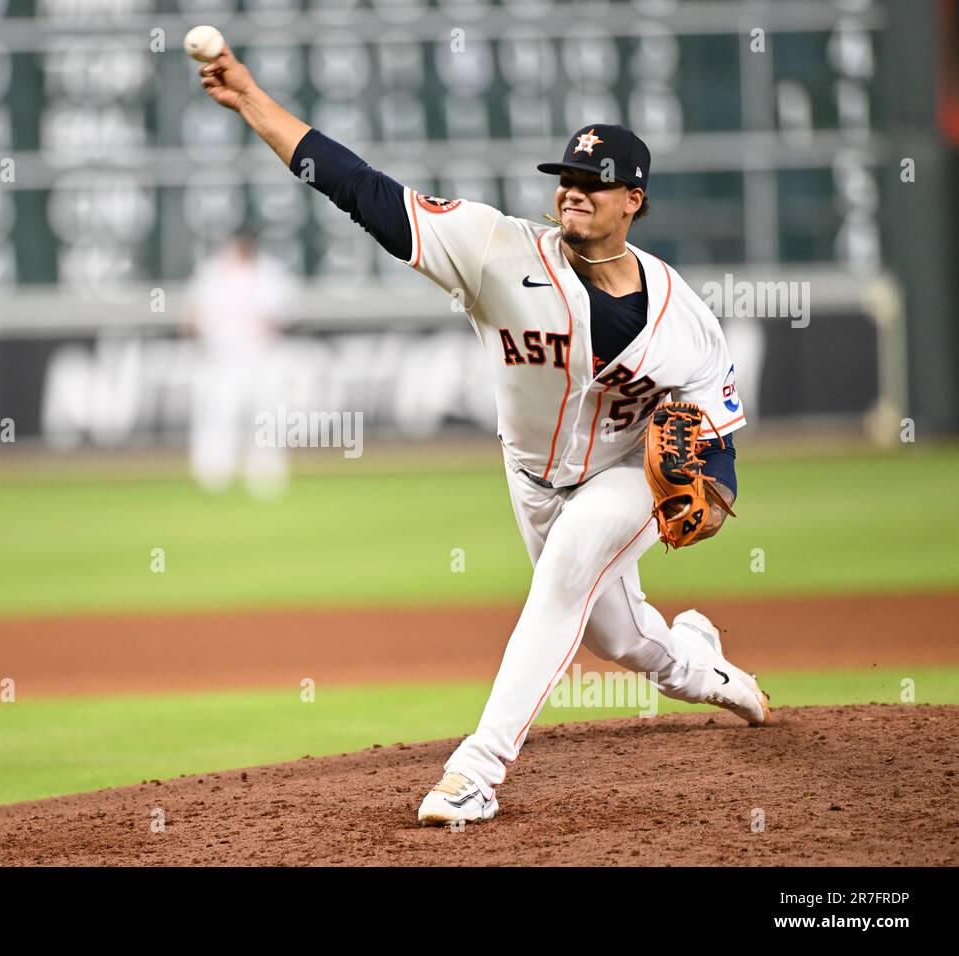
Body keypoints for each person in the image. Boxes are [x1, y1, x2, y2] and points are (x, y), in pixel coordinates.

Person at [197, 48, 768, 826]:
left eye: (592, 183)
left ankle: (476, 770)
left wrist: (715, 488)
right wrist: (254, 103)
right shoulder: (496, 249)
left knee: (569, 569)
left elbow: (720, 438)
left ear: (632, 199)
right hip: (532, 476)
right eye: (565, 177)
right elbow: (362, 190)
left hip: (624, 472)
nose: (571, 191)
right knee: (622, 640)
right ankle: (703, 668)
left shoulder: (683, 317)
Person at [183, 230, 294, 500]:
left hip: (261, 357)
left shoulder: (270, 273)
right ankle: (213, 474)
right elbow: (188, 317)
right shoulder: (212, 273)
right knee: (220, 413)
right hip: (222, 358)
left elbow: (284, 316)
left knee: (266, 416)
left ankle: (266, 476)